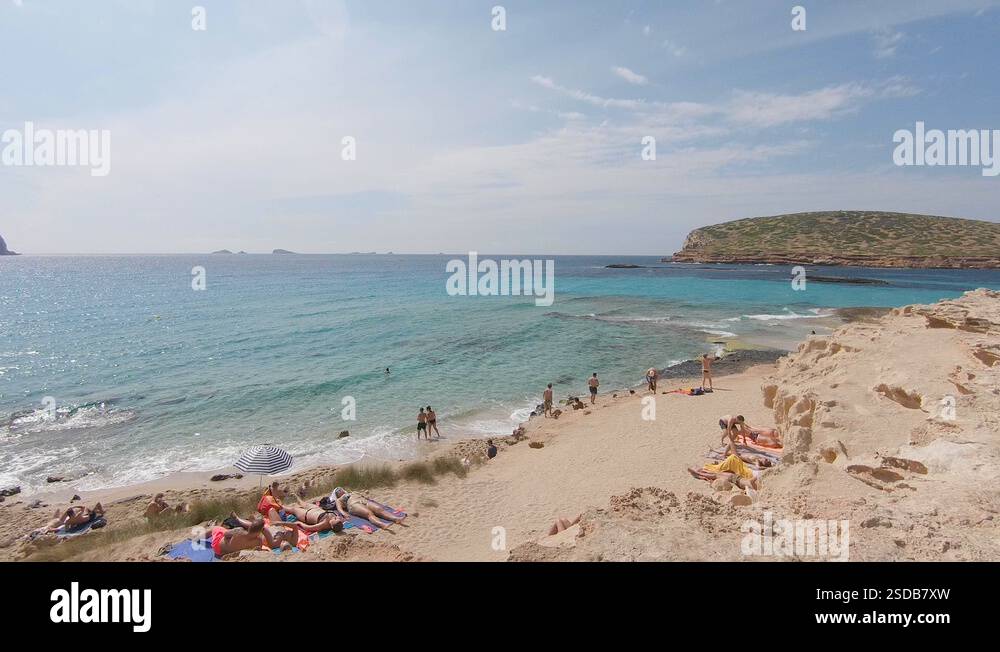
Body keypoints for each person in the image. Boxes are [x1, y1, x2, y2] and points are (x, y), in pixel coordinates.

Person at [331, 487, 406, 530]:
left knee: (379, 509)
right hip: (353, 504)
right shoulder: (339, 499)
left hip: (364, 501)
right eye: (337, 491)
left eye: (340, 489)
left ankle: (396, 519)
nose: (340, 490)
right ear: (336, 494)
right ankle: (382, 524)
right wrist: (344, 514)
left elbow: (366, 497)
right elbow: (339, 509)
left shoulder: (352, 492)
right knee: (369, 513)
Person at [34, 503, 105, 535]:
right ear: (73, 513)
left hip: (87, 518)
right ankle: (101, 512)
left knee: (90, 510)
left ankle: (100, 511)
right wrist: (77, 506)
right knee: (96, 506)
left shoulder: (68, 521)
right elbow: (84, 508)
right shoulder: (78, 515)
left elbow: (66, 529)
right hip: (89, 518)